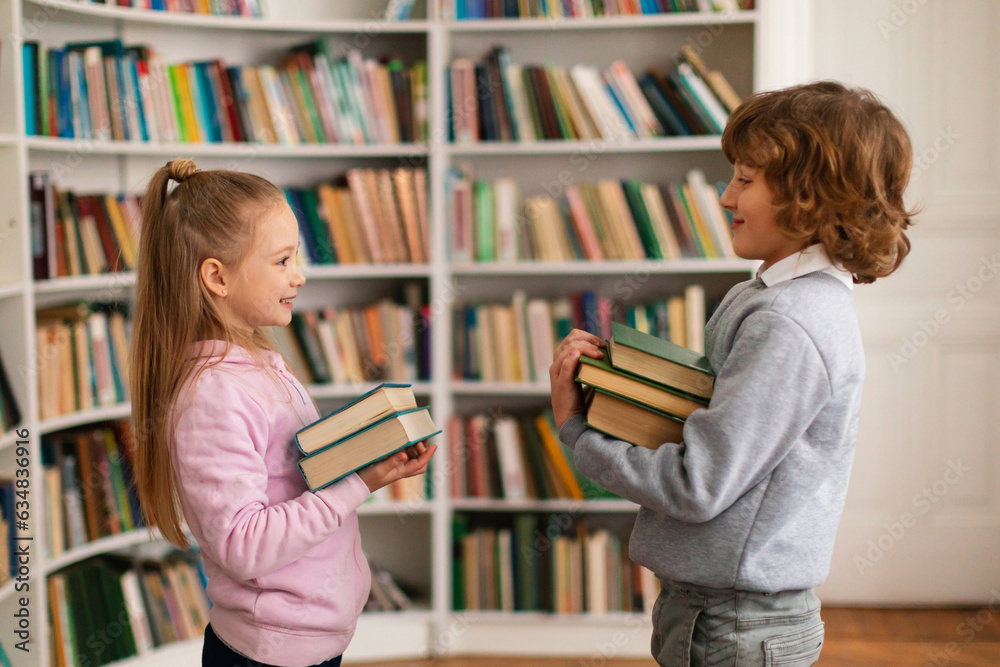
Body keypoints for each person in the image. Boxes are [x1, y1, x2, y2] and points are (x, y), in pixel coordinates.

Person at [549, 81, 914, 666]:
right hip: (721, 611)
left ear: (809, 197)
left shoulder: (788, 322)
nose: (725, 197)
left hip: (735, 624)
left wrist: (577, 429)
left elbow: (697, 485)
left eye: (745, 179)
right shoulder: (767, 297)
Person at [129, 158, 436, 667]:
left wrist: (372, 456)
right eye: (282, 261)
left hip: (304, 642)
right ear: (217, 277)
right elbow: (243, 545)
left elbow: (294, 479)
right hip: (269, 654)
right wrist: (358, 483)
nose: (300, 275)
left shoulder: (258, 365)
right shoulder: (213, 394)